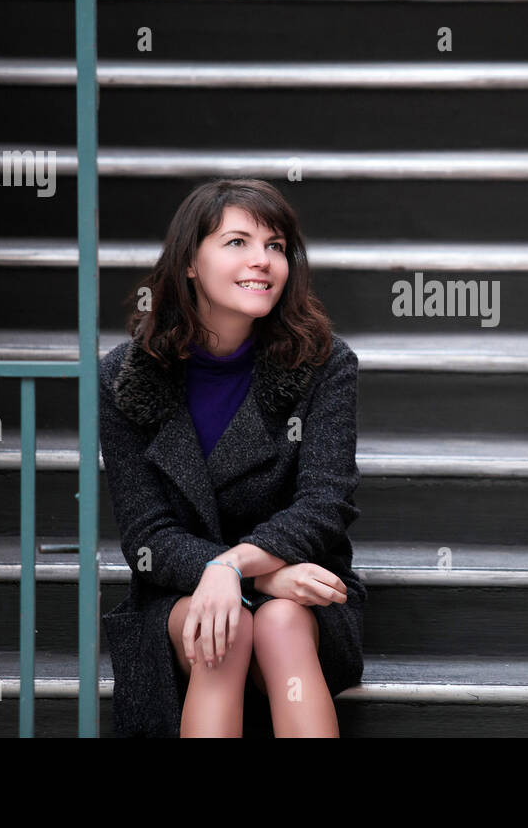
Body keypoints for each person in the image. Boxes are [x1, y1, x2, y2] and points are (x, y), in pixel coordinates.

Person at [98, 178, 365, 737]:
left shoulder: (323, 363)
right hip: (180, 595)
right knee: (226, 629)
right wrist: (252, 579)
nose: (262, 261)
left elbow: (325, 503)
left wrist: (233, 567)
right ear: (190, 263)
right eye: (237, 242)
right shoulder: (128, 374)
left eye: (275, 246)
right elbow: (147, 536)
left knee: (279, 625)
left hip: (307, 592)